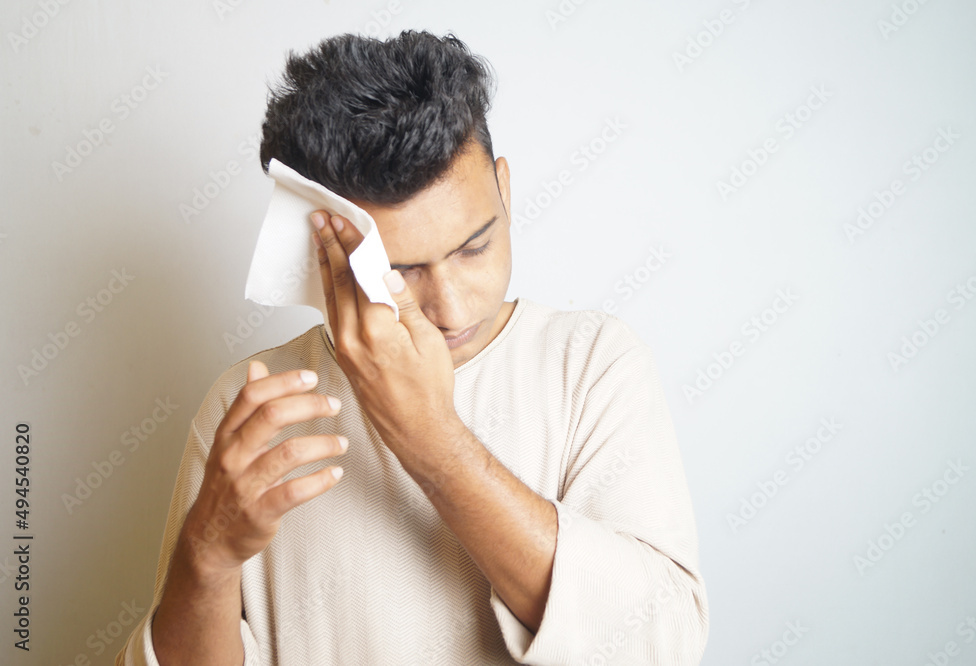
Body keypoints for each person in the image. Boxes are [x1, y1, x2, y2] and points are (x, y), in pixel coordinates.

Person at [116, 30, 709, 665]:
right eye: (398, 275)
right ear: (325, 256)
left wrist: (430, 437)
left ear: (503, 191)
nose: (452, 308)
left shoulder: (591, 362)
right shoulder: (252, 410)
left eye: (475, 247)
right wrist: (205, 560)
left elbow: (659, 643)